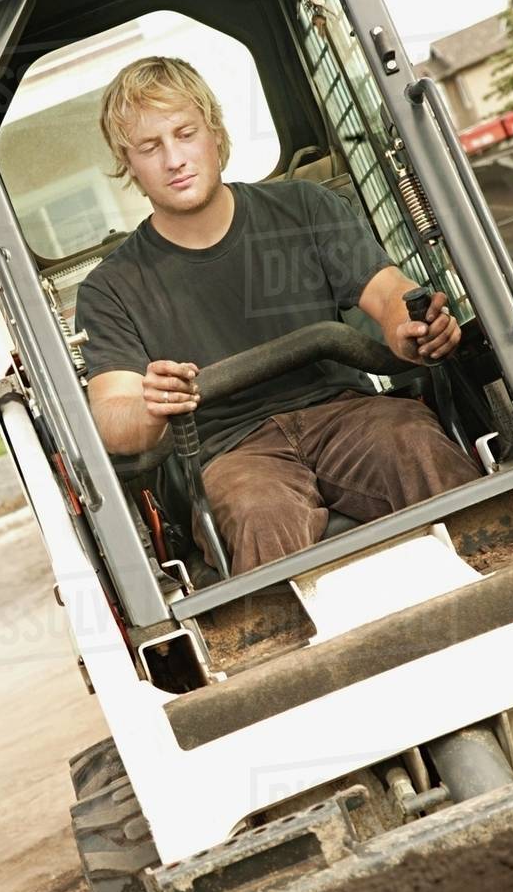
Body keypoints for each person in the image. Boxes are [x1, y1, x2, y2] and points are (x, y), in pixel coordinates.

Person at [76, 57, 479, 574]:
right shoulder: (109, 289)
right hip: (230, 454)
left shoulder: (305, 209)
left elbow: (390, 295)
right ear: (127, 162)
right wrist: (151, 407)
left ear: (214, 132)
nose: (174, 159)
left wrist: (412, 329)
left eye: (185, 134)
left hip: (348, 415)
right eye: (150, 147)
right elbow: (113, 417)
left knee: (415, 445)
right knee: (257, 512)